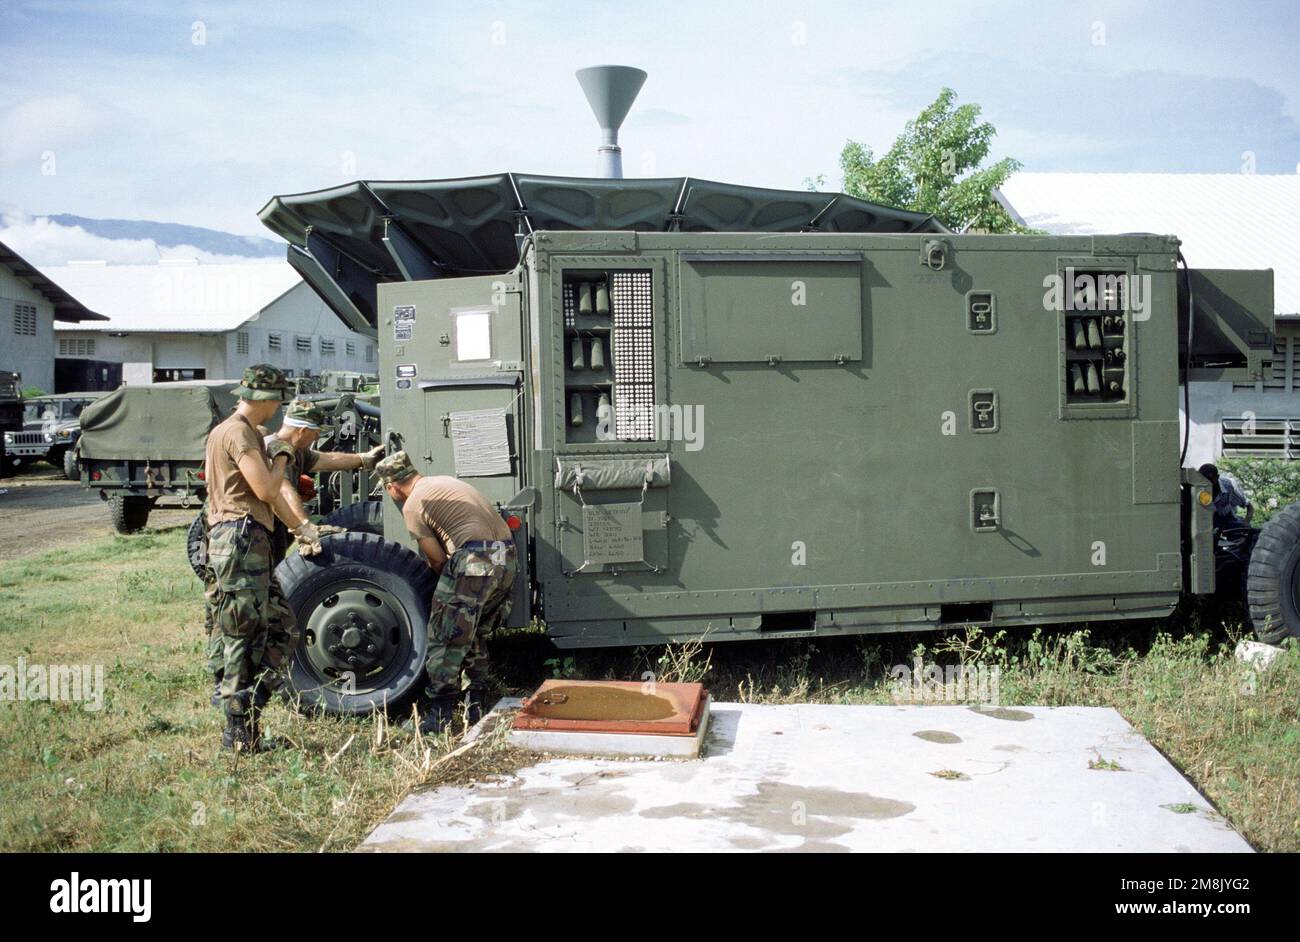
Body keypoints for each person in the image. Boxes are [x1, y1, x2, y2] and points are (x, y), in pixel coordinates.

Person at [203, 398, 380, 704]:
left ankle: (242, 698)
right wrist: (304, 528)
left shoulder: (290, 449)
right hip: (242, 543)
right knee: (246, 628)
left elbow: (326, 459)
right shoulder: (272, 448)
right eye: (315, 432)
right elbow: (278, 492)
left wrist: (364, 460)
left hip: (251, 545)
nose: (317, 438)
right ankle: (235, 698)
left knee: (264, 626)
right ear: (302, 431)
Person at [204, 364, 334, 752]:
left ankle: (250, 711)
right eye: (278, 398)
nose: (279, 406)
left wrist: (299, 526)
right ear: (266, 400)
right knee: (245, 636)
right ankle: (239, 733)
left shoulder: (235, 431)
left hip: (245, 539)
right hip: (241, 538)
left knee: (279, 627)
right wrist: (281, 455)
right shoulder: (238, 434)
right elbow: (265, 489)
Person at [373, 450, 516, 735]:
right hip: (507, 557)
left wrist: (446, 592)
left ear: (391, 487)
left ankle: (439, 717)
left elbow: (437, 559)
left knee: (445, 636)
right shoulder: (445, 482)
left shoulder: (414, 504)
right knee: (471, 631)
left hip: (475, 560)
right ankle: (475, 704)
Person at [1198, 463, 1253, 530]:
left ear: (1217, 477)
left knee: (1248, 532)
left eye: (1209, 479)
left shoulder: (1229, 486)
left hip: (1229, 522)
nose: (1205, 483)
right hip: (1209, 524)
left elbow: (1250, 507)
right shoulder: (1198, 490)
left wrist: (1246, 523)